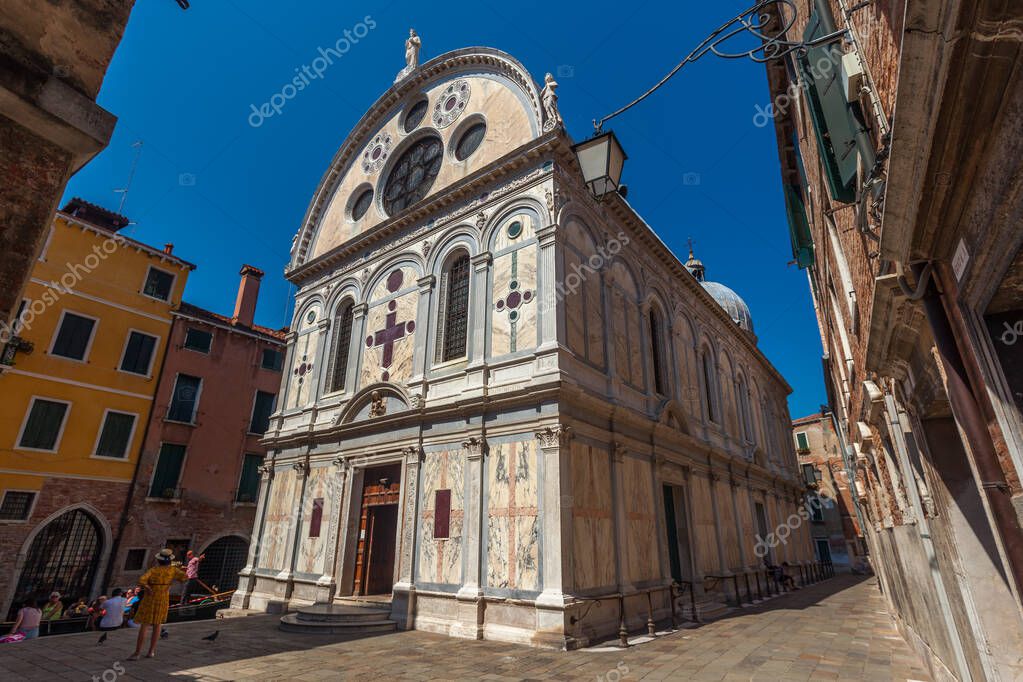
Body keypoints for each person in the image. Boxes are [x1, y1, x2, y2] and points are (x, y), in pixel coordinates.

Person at [129, 549, 186, 660]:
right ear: (170, 560)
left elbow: (141, 580)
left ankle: (137, 653)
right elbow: (184, 578)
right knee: (157, 624)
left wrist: (148, 588)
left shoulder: (153, 570)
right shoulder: (173, 570)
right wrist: (171, 581)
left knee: (144, 625)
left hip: (150, 598)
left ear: (159, 560)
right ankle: (151, 652)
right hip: (163, 598)